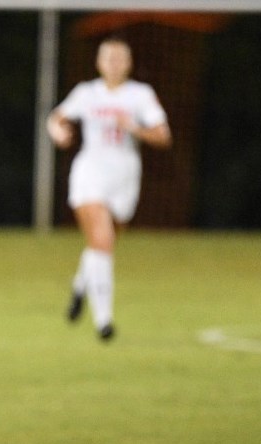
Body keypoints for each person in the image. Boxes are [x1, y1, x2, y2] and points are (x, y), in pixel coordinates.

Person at [47, 36, 171, 341]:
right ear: (99, 63)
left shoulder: (140, 95)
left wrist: (134, 128)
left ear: (129, 63)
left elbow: (163, 135)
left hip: (125, 175)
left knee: (103, 243)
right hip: (90, 172)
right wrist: (58, 133)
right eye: (109, 58)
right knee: (102, 240)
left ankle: (80, 285)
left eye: (120, 58)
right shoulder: (87, 93)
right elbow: (56, 117)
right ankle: (104, 321)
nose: (114, 63)